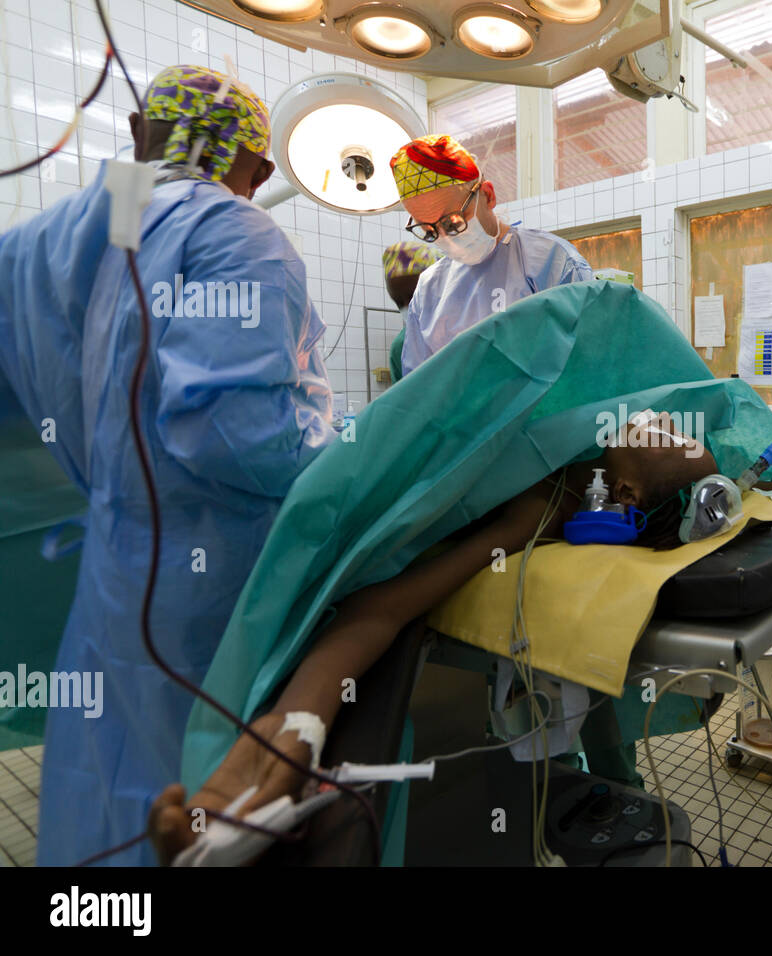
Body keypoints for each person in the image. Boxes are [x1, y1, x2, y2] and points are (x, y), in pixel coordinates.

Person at [0, 65, 335, 865]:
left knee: (107, 769)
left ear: (138, 129)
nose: (255, 190)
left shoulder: (50, 239)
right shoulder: (235, 232)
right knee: (204, 783)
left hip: (112, 566)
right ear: (243, 158)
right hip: (213, 578)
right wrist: (342, 456)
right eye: (258, 174)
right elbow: (234, 433)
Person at [148, 412, 719, 864]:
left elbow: (387, 608)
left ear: (623, 492)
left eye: (667, 433)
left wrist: (297, 723)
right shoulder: (573, 452)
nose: (660, 416)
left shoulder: (535, 513)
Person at [390, 135, 593, 374]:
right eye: (429, 230)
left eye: (453, 222)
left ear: (488, 195)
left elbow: (590, 361)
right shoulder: (429, 290)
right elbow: (420, 388)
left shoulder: (552, 261)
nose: (445, 236)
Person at [380, 241, 441, 384]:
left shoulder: (468, 327)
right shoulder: (402, 347)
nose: (408, 307)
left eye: (413, 297)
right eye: (399, 301)